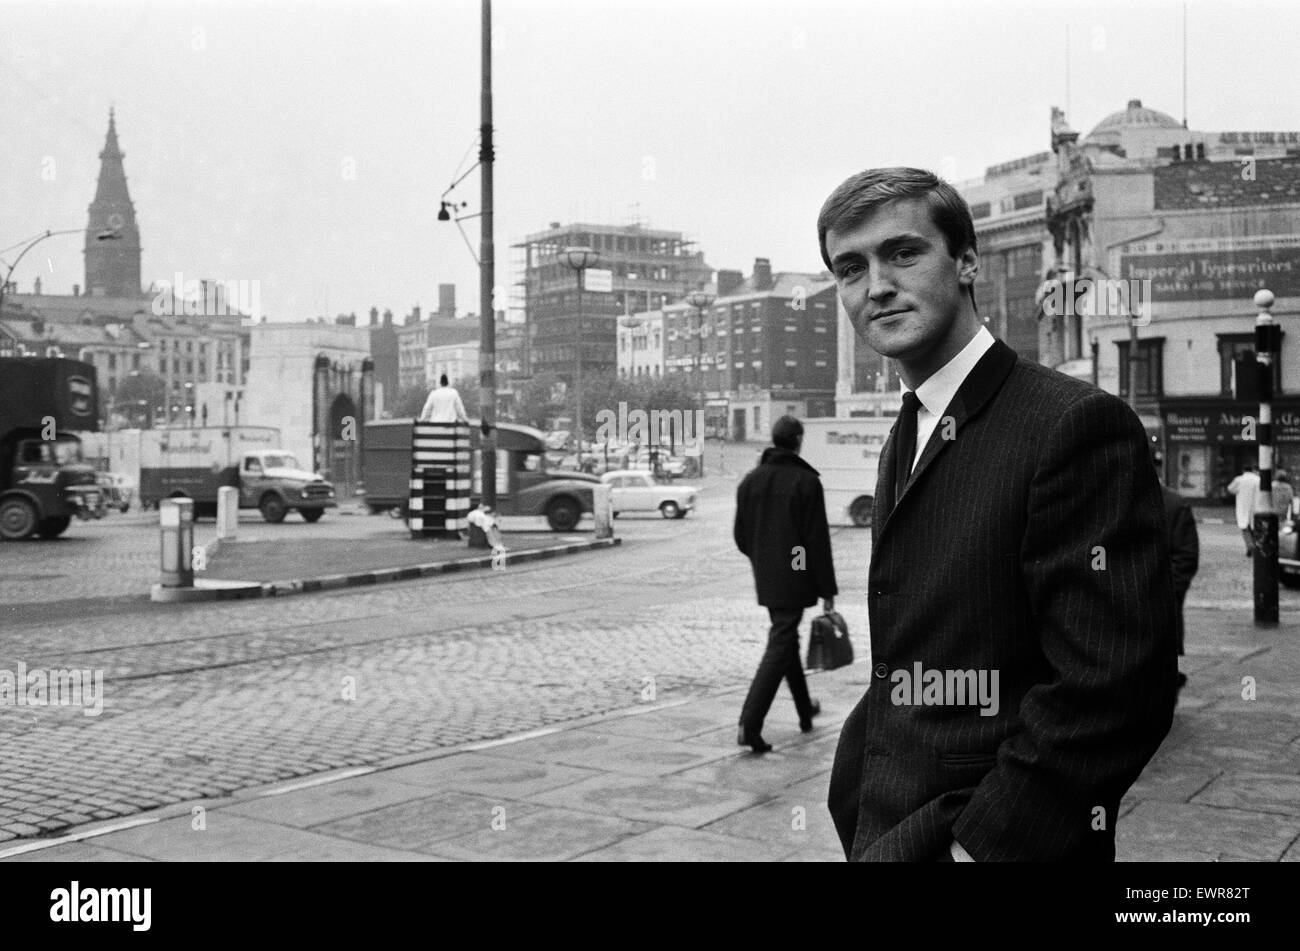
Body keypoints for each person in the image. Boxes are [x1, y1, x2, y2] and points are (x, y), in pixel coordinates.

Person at [818, 167, 1177, 861]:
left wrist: (979, 847)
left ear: (968, 261)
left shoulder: (1072, 425)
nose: (877, 285)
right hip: (888, 826)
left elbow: (1116, 685)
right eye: (850, 267)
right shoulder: (910, 429)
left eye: (903, 252)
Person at [732, 415, 837, 754]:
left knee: (786, 638)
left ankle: (805, 711)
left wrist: (765, 560)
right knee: (780, 642)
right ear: (798, 441)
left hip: (767, 573)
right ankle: (750, 723)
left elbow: (741, 536)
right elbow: (815, 541)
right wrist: (826, 590)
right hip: (796, 573)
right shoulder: (806, 482)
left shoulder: (750, 481)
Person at [1155, 452, 1199, 691]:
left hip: (1162, 604)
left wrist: (1167, 593)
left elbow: (1186, 557)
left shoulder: (1174, 504)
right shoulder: (1117, 500)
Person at [1227, 465, 1260, 557]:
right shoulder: (1258, 479)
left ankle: (1249, 546)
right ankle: (1255, 546)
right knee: (1255, 528)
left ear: (1243, 470)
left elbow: (1230, 489)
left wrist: (1239, 491)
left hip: (1243, 506)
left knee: (1245, 528)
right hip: (1256, 507)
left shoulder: (1239, 480)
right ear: (1252, 470)